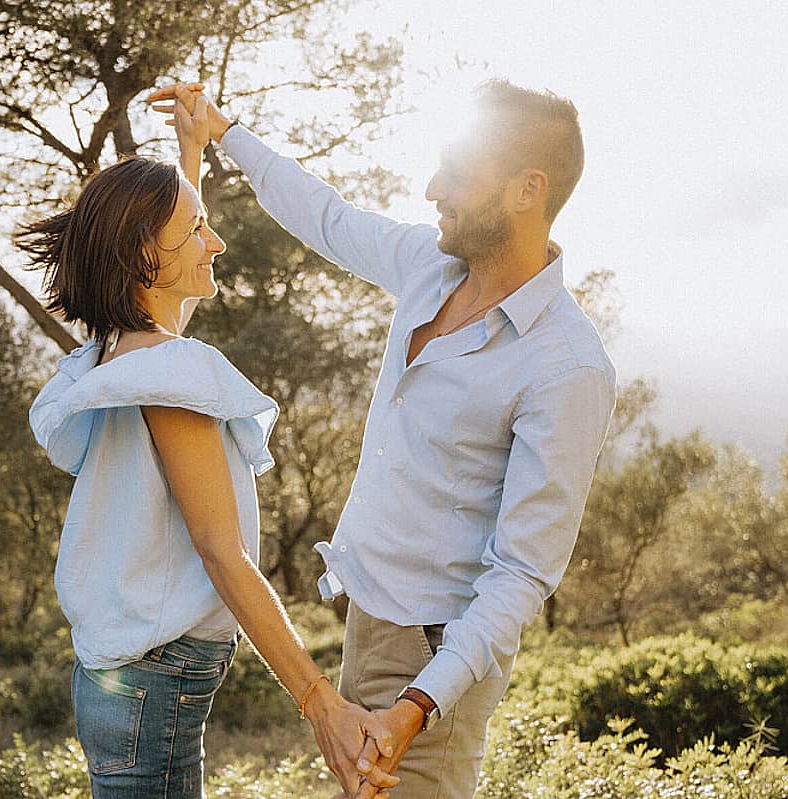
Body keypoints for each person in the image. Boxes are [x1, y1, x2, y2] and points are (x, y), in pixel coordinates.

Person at [150, 81, 618, 799]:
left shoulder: (567, 367)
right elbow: (328, 217)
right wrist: (224, 132)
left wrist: (417, 705)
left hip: (434, 665)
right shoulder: (429, 266)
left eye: (457, 176)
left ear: (529, 190)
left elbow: (522, 573)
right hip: (374, 624)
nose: (433, 189)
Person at [19, 94, 398, 798]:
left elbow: (172, 295)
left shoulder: (119, 347)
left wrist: (190, 152)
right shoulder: (170, 373)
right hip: (153, 680)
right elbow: (222, 553)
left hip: (124, 676)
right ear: (144, 254)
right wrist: (321, 701)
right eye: (198, 229)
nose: (215, 241)